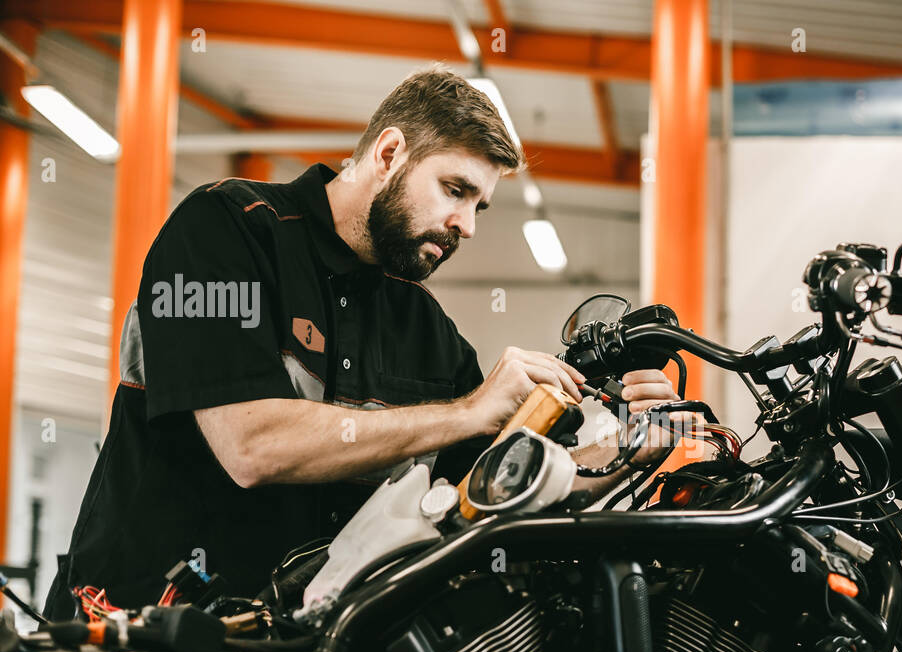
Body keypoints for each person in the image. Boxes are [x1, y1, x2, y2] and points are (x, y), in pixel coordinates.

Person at [45, 66, 684, 618]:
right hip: (145, 643)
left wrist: (626, 453)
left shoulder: (425, 329)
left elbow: (490, 491)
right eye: (455, 190)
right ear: (388, 154)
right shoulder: (225, 233)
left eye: (478, 207)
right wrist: (468, 411)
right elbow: (250, 447)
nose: (464, 224)